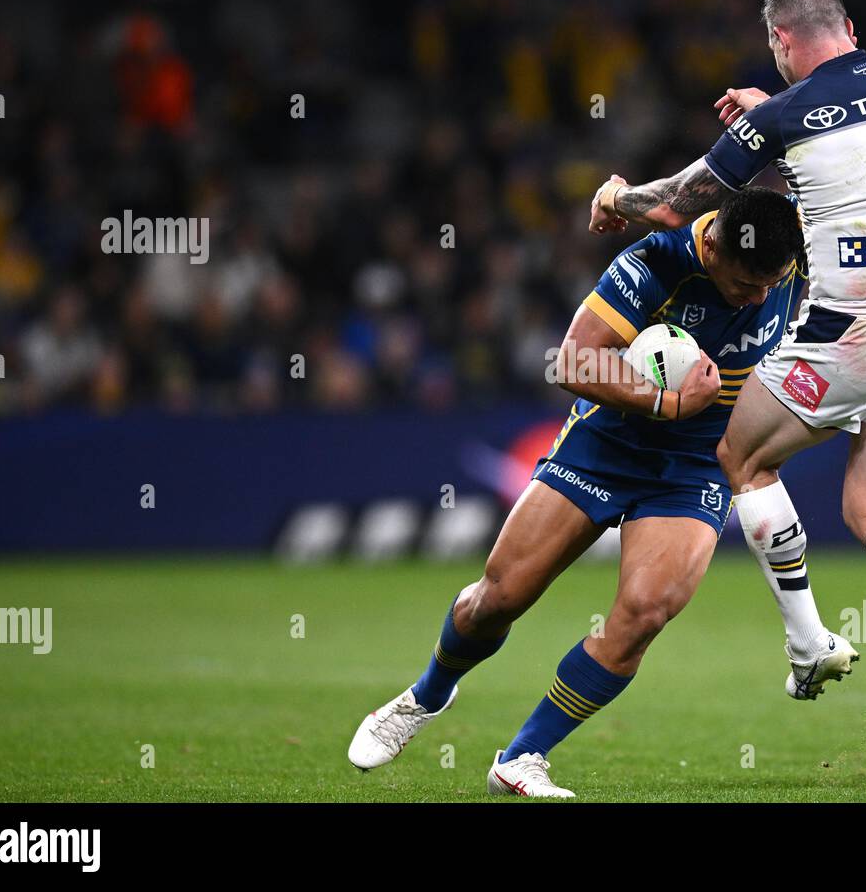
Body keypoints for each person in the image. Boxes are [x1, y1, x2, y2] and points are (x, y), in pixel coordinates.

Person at [347, 186, 829, 797]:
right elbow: (573, 363)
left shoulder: (795, 246)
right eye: (743, 285)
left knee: (646, 612)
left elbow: (812, 157)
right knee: (499, 597)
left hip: (698, 462)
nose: (760, 298)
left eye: (772, 284)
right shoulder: (659, 261)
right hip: (608, 445)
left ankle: (521, 758)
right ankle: (425, 695)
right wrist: (668, 401)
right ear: (713, 247)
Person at [588, 0, 866, 723]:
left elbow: (675, 208)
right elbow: (844, 153)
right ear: (849, 30)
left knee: (740, 458)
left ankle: (808, 642)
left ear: (779, 41)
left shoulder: (779, 117)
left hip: (850, 328)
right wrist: (780, 117)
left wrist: (614, 197)